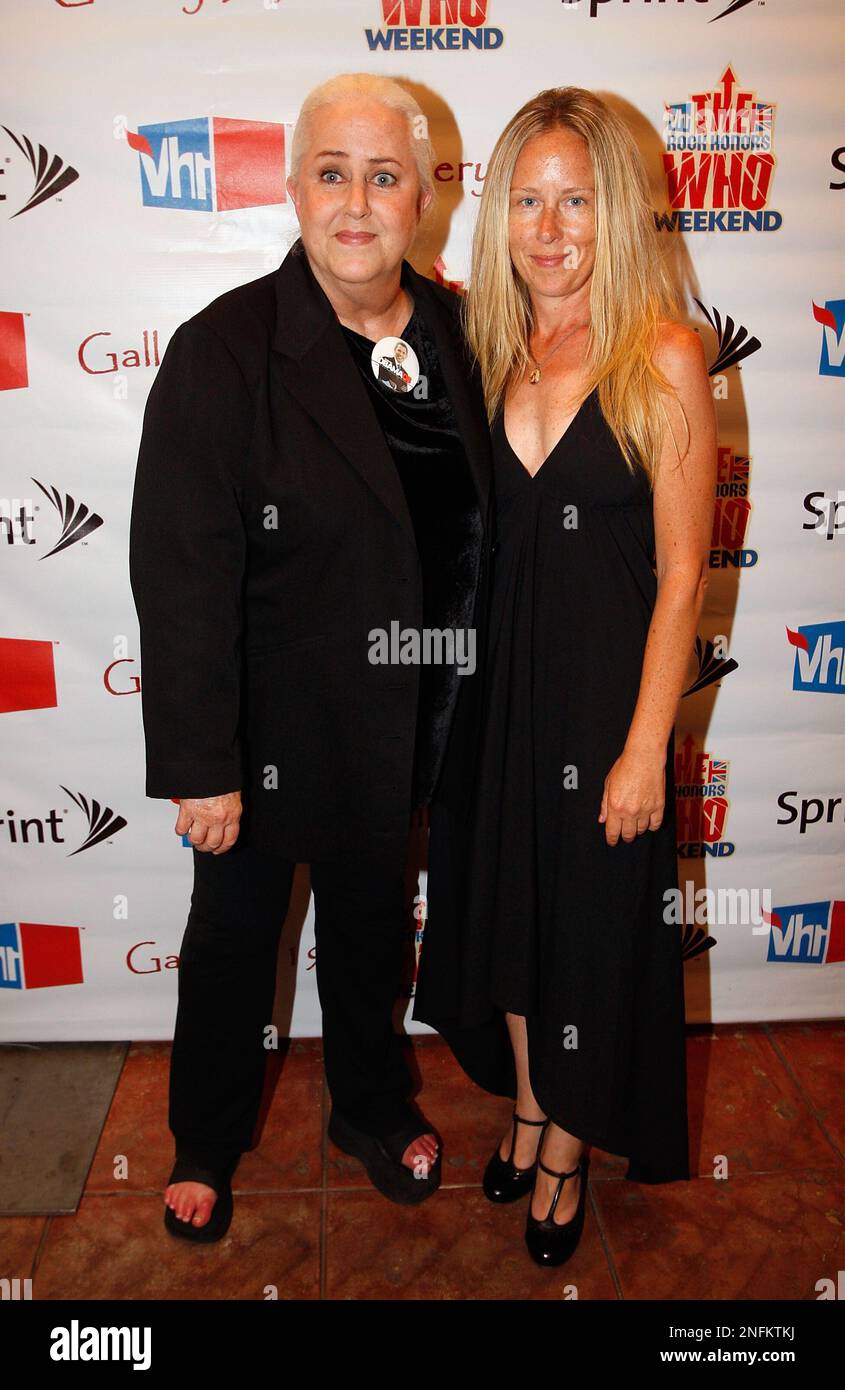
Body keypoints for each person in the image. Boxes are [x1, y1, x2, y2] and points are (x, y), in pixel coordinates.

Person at [128, 72, 498, 1242]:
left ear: (424, 193)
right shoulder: (226, 349)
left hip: (408, 725)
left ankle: (371, 1106)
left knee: (373, 928)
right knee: (237, 943)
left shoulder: (456, 331)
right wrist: (200, 759)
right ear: (291, 190)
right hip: (265, 734)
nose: (355, 202)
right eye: (331, 174)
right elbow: (179, 569)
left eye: (382, 175)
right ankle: (204, 1137)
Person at [413, 86, 716, 1267]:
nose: (547, 228)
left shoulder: (665, 355)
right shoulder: (485, 347)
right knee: (511, 926)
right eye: (527, 200)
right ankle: (535, 1101)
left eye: (574, 200)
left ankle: (568, 1144)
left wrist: (645, 746)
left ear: (617, 209)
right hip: (494, 710)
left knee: (586, 932)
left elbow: (684, 576)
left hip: (604, 710)